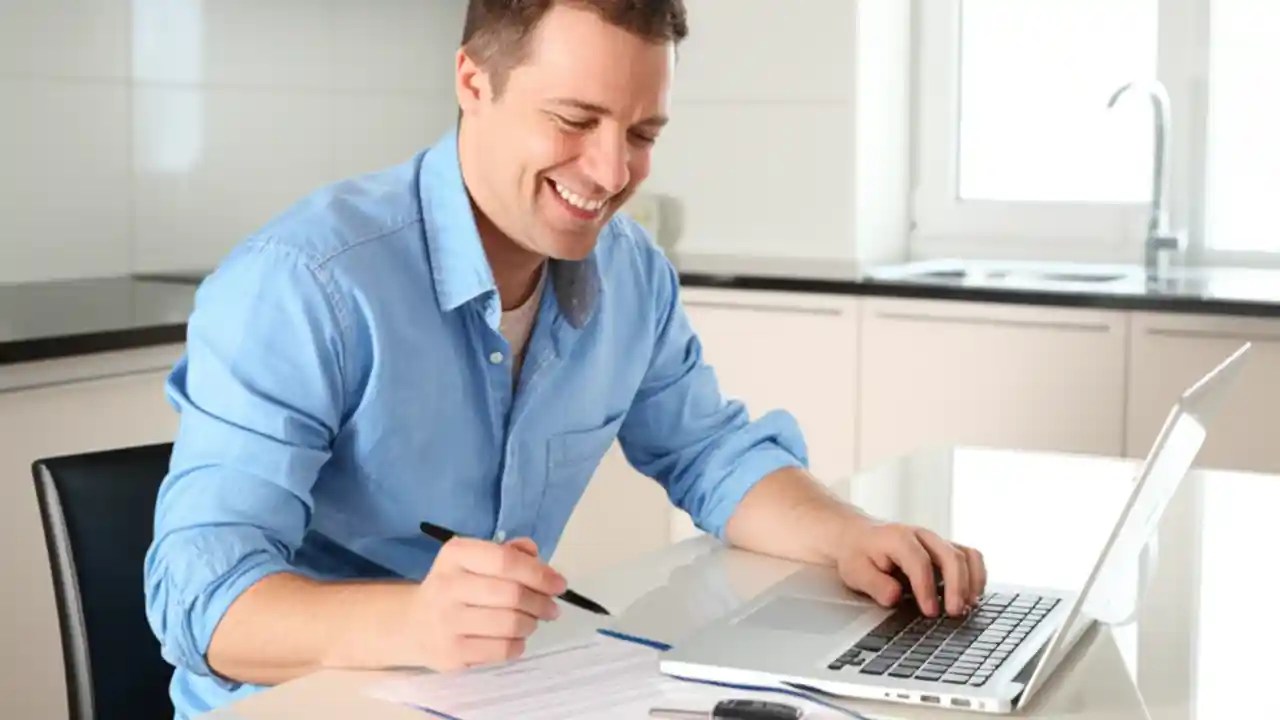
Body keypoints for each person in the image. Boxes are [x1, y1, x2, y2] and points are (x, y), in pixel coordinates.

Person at [143, 1, 987, 717]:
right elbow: (199, 603)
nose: (613, 171)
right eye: (575, 120)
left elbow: (711, 455)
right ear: (474, 82)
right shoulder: (301, 286)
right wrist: (414, 622)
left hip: (492, 691)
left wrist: (853, 537)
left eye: (642, 131)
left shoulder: (630, 274)